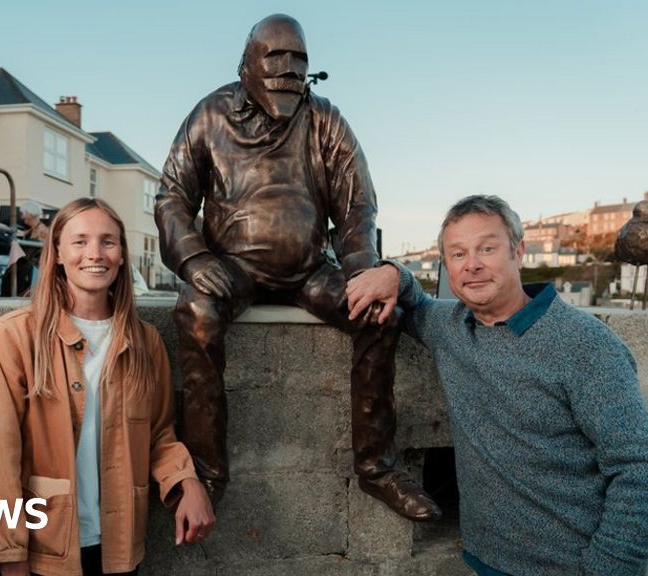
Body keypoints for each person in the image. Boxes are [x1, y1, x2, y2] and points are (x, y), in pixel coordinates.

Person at [154, 13, 439, 521]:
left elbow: (356, 207)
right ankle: (207, 473)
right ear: (246, 64)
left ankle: (375, 468)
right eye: (276, 57)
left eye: (299, 60)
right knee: (196, 312)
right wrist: (195, 258)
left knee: (381, 315)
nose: (289, 69)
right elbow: (172, 196)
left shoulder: (325, 118)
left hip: (310, 270)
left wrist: (361, 273)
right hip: (232, 269)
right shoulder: (209, 115)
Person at [345, 195, 648, 576]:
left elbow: (643, 473)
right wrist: (393, 272)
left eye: (487, 248)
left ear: (518, 252)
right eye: (458, 254)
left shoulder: (586, 345)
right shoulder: (450, 327)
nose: (472, 265)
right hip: (485, 560)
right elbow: (414, 301)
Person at [0, 197, 215, 576]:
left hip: (118, 547)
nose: (95, 254)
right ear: (58, 253)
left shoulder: (146, 342)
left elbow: (158, 434)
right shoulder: (16, 335)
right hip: (41, 550)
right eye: (80, 241)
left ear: (122, 255)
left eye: (108, 241)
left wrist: (188, 481)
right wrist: (8, 553)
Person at [18, 199, 48, 292]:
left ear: (29, 214)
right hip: (29, 268)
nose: (21, 217)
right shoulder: (31, 230)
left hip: (36, 269)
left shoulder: (42, 231)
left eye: (23, 213)